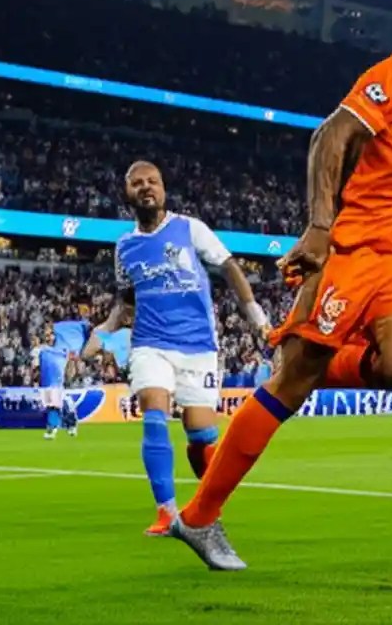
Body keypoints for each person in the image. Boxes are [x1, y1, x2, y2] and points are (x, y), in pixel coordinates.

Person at [169, 13, 392, 570]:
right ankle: (201, 518)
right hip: (353, 255)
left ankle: (298, 361)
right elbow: (332, 134)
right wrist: (321, 228)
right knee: (293, 384)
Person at [96, 161, 270, 537]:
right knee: (154, 412)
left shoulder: (190, 228)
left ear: (163, 189)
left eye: (153, 182)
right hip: (150, 343)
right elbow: (126, 300)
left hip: (198, 346)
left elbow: (228, 266)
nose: (146, 188)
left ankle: (208, 509)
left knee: (201, 438)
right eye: (138, 183)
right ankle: (166, 511)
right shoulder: (124, 246)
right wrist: (106, 329)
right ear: (127, 193)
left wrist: (257, 317)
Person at [32, 330, 68, 440]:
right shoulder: (39, 350)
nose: (49, 338)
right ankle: (56, 426)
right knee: (50, 406)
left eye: (50, 335)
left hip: (56, 383)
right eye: (47, 335)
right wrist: (36, 382)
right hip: (46, 382)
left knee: (54, 406)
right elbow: (35, 368)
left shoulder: (61, 350)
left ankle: (53, 428)